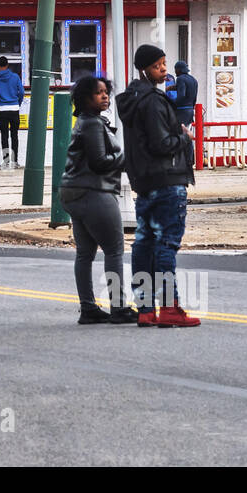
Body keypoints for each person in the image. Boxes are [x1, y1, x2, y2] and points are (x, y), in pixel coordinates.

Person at [115, 43, 200, 328]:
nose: (163, 70)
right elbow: (161, 144)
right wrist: (185, 137)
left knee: (145, 244)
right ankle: (170, 308)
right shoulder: (152, 100)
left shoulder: (134, 99)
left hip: (145, 183)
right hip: (167, 180)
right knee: (166, 245)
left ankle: (146, 308)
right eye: (157, 66)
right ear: (144, 69)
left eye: (164, 64)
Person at [60, 75, 136, 325]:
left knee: (85, 254)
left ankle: (88, 307)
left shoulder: (85, 121)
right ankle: (119, 307)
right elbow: (99, 162)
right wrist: (126, 160)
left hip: (72, 192)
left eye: (106, 92)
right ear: (85, 98)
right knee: (114, 249)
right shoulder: (92, 124)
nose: (105, 96)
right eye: (98, 93)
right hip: (94, 191)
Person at [0, 56, 24, 168]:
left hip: (3, 109)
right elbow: (22, 92)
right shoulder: (15, 77)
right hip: (14, 108)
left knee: (4, 136)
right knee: (15, 135)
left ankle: (6, 161)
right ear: (8, 65)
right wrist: (17, 103)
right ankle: (15, 162)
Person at [172, 60, 199, 128]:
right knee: (186, 134)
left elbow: (181, 95)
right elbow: (194, 96)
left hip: (182, 111)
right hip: (190, 111)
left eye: (175, 69)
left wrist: (171, 102)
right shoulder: (193, 79)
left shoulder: (180, 79)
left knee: (179, 135)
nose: (175, 71)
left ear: (178, 69)